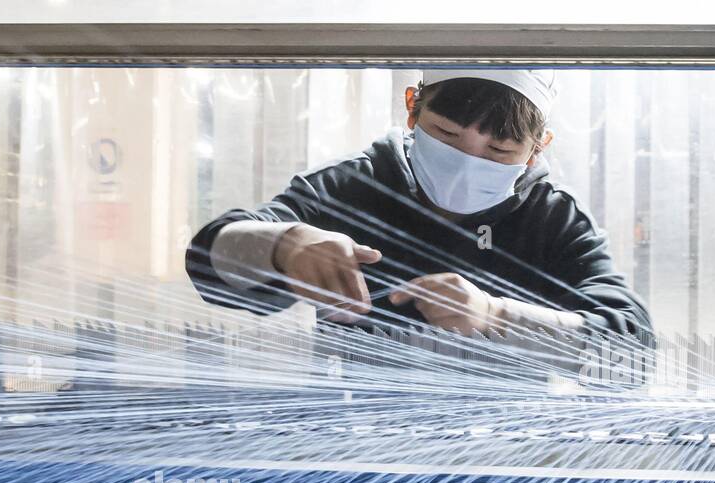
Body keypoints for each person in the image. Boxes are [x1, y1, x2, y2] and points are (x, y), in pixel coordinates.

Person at [185, 70, 653, 343]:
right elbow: (210, 260)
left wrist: (498, 317)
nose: (467, 164)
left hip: (509, 443)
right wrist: (283, 246)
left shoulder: (551, 218)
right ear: (412, 108)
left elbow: (632, 342)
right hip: (357, 436)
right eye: (446, 136)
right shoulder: (353, 187)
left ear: (537, 148)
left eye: (499, 152)